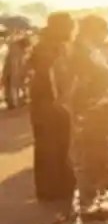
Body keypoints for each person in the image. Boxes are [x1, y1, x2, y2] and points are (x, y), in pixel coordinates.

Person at [66, 15, 108, 207]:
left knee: (96, 162)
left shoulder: (89, 51)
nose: (106, 35)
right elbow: (77, 84)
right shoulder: (80, 53)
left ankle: (92, 203)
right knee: (97, 162)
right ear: (93, 31)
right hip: (92, 113)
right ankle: (90, 205)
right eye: (104, 31)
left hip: (97, 112)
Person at [27, 13, 77, 201]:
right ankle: (50, 190)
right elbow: (49, 76)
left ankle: (60, 186)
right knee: (49, 147)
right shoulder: (46, 48)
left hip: (54, 103)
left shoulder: (56, 46)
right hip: (47, 104)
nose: (72, 30)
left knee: (61, 145)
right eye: (69, 26)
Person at [3, 35, 29, 108]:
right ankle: (14, 102)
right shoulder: (17, 51)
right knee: (14, 86)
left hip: (10, 71)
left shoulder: (15, 49)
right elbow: (16, 64)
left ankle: (12, 102)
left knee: (11, 87)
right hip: (13, 72)